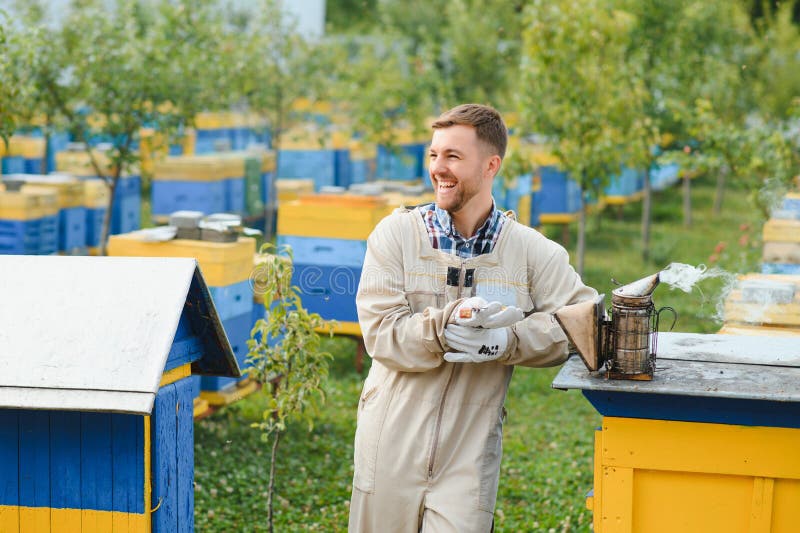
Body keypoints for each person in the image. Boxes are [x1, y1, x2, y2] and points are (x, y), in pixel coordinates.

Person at [349, 103, 597, 532]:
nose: (438, 168)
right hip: (390, 441)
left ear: (490, 165)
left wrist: (509, 341)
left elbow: (583, 320)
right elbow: (382, 333)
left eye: (453, 156)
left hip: (469, 452)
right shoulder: (396, 236)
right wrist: (444, 328)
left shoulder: (531, 250)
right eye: (434, 154)